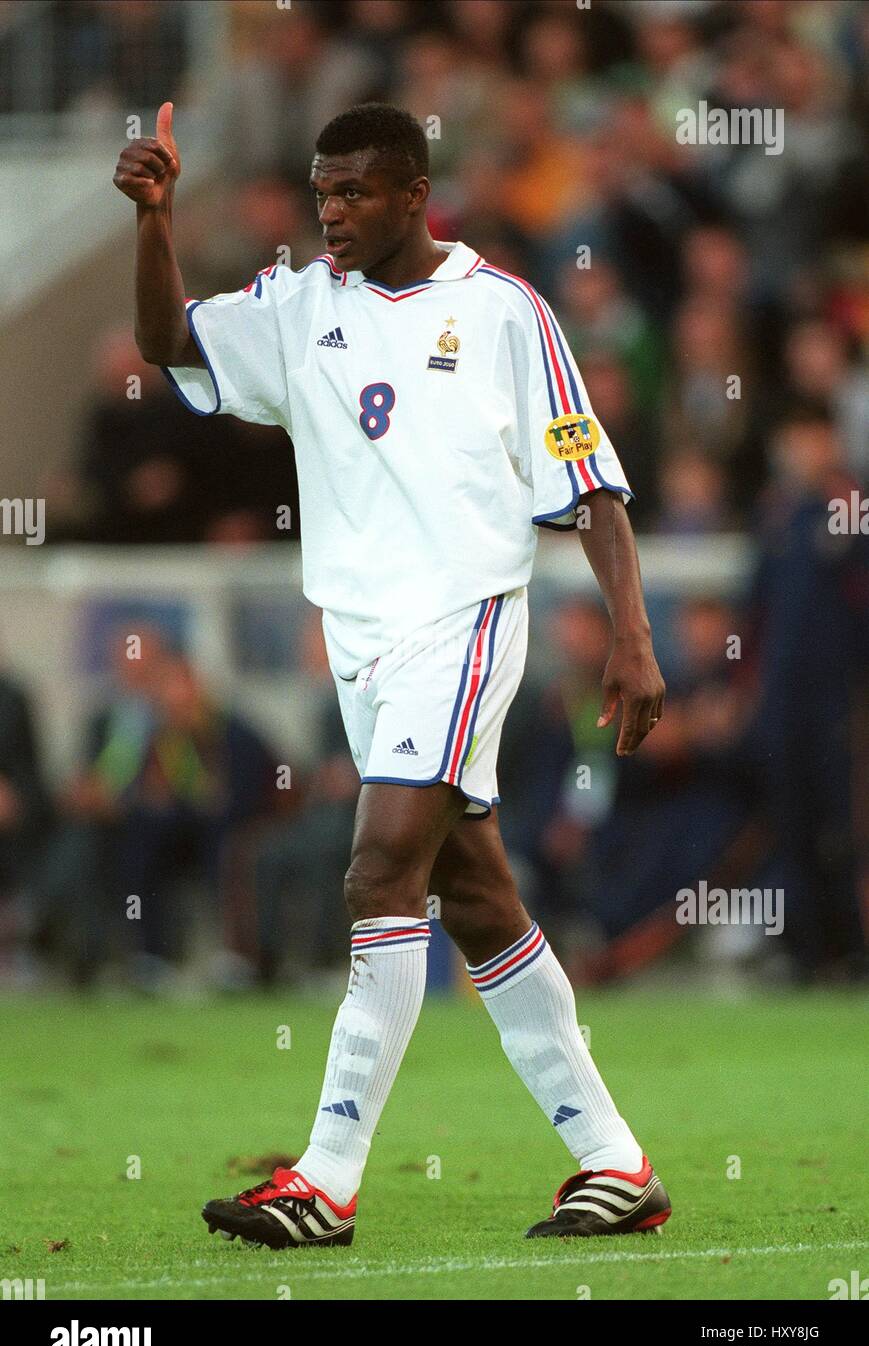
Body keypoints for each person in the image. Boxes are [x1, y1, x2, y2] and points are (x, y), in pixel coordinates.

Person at [113, 101, 669, 1247]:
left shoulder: (503, 309)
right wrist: (156, 220)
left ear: (415, 195)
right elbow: (168, 342)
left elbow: (591, 482)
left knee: (378, 874)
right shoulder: (297, 305)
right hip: (362, 645)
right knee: (472, 897)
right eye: (321, 192)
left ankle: (323, 1176)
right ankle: (613, 1160)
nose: (332, 212)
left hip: (461, 621)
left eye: (355, 192)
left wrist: (630, 633)